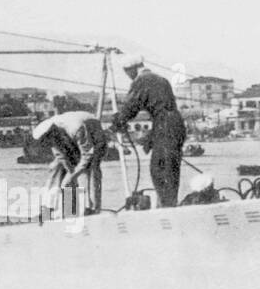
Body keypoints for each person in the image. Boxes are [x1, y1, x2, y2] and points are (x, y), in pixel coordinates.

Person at [111, 55, 186, 207]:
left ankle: (167, 206)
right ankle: (168, 203)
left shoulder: (142, 81)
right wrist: (150, 138)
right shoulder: (161, 79)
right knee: (170, 167)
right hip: (174, 124)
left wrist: (119, 120)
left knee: (160, 169)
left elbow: (131, 105)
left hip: (165, 125)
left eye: (127, 73)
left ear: (130, 69)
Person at [32, 110, 108, 214]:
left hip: (93, 130)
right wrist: (70, 177)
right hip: (72, 136)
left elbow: (87, 155)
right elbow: (63, 159)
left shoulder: (76, 128)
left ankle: (93, 208)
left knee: (91, 168)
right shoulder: (52, 137)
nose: (50, 143)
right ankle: (57, 207)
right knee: (56, 168)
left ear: (54, 131)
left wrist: (72, 177)